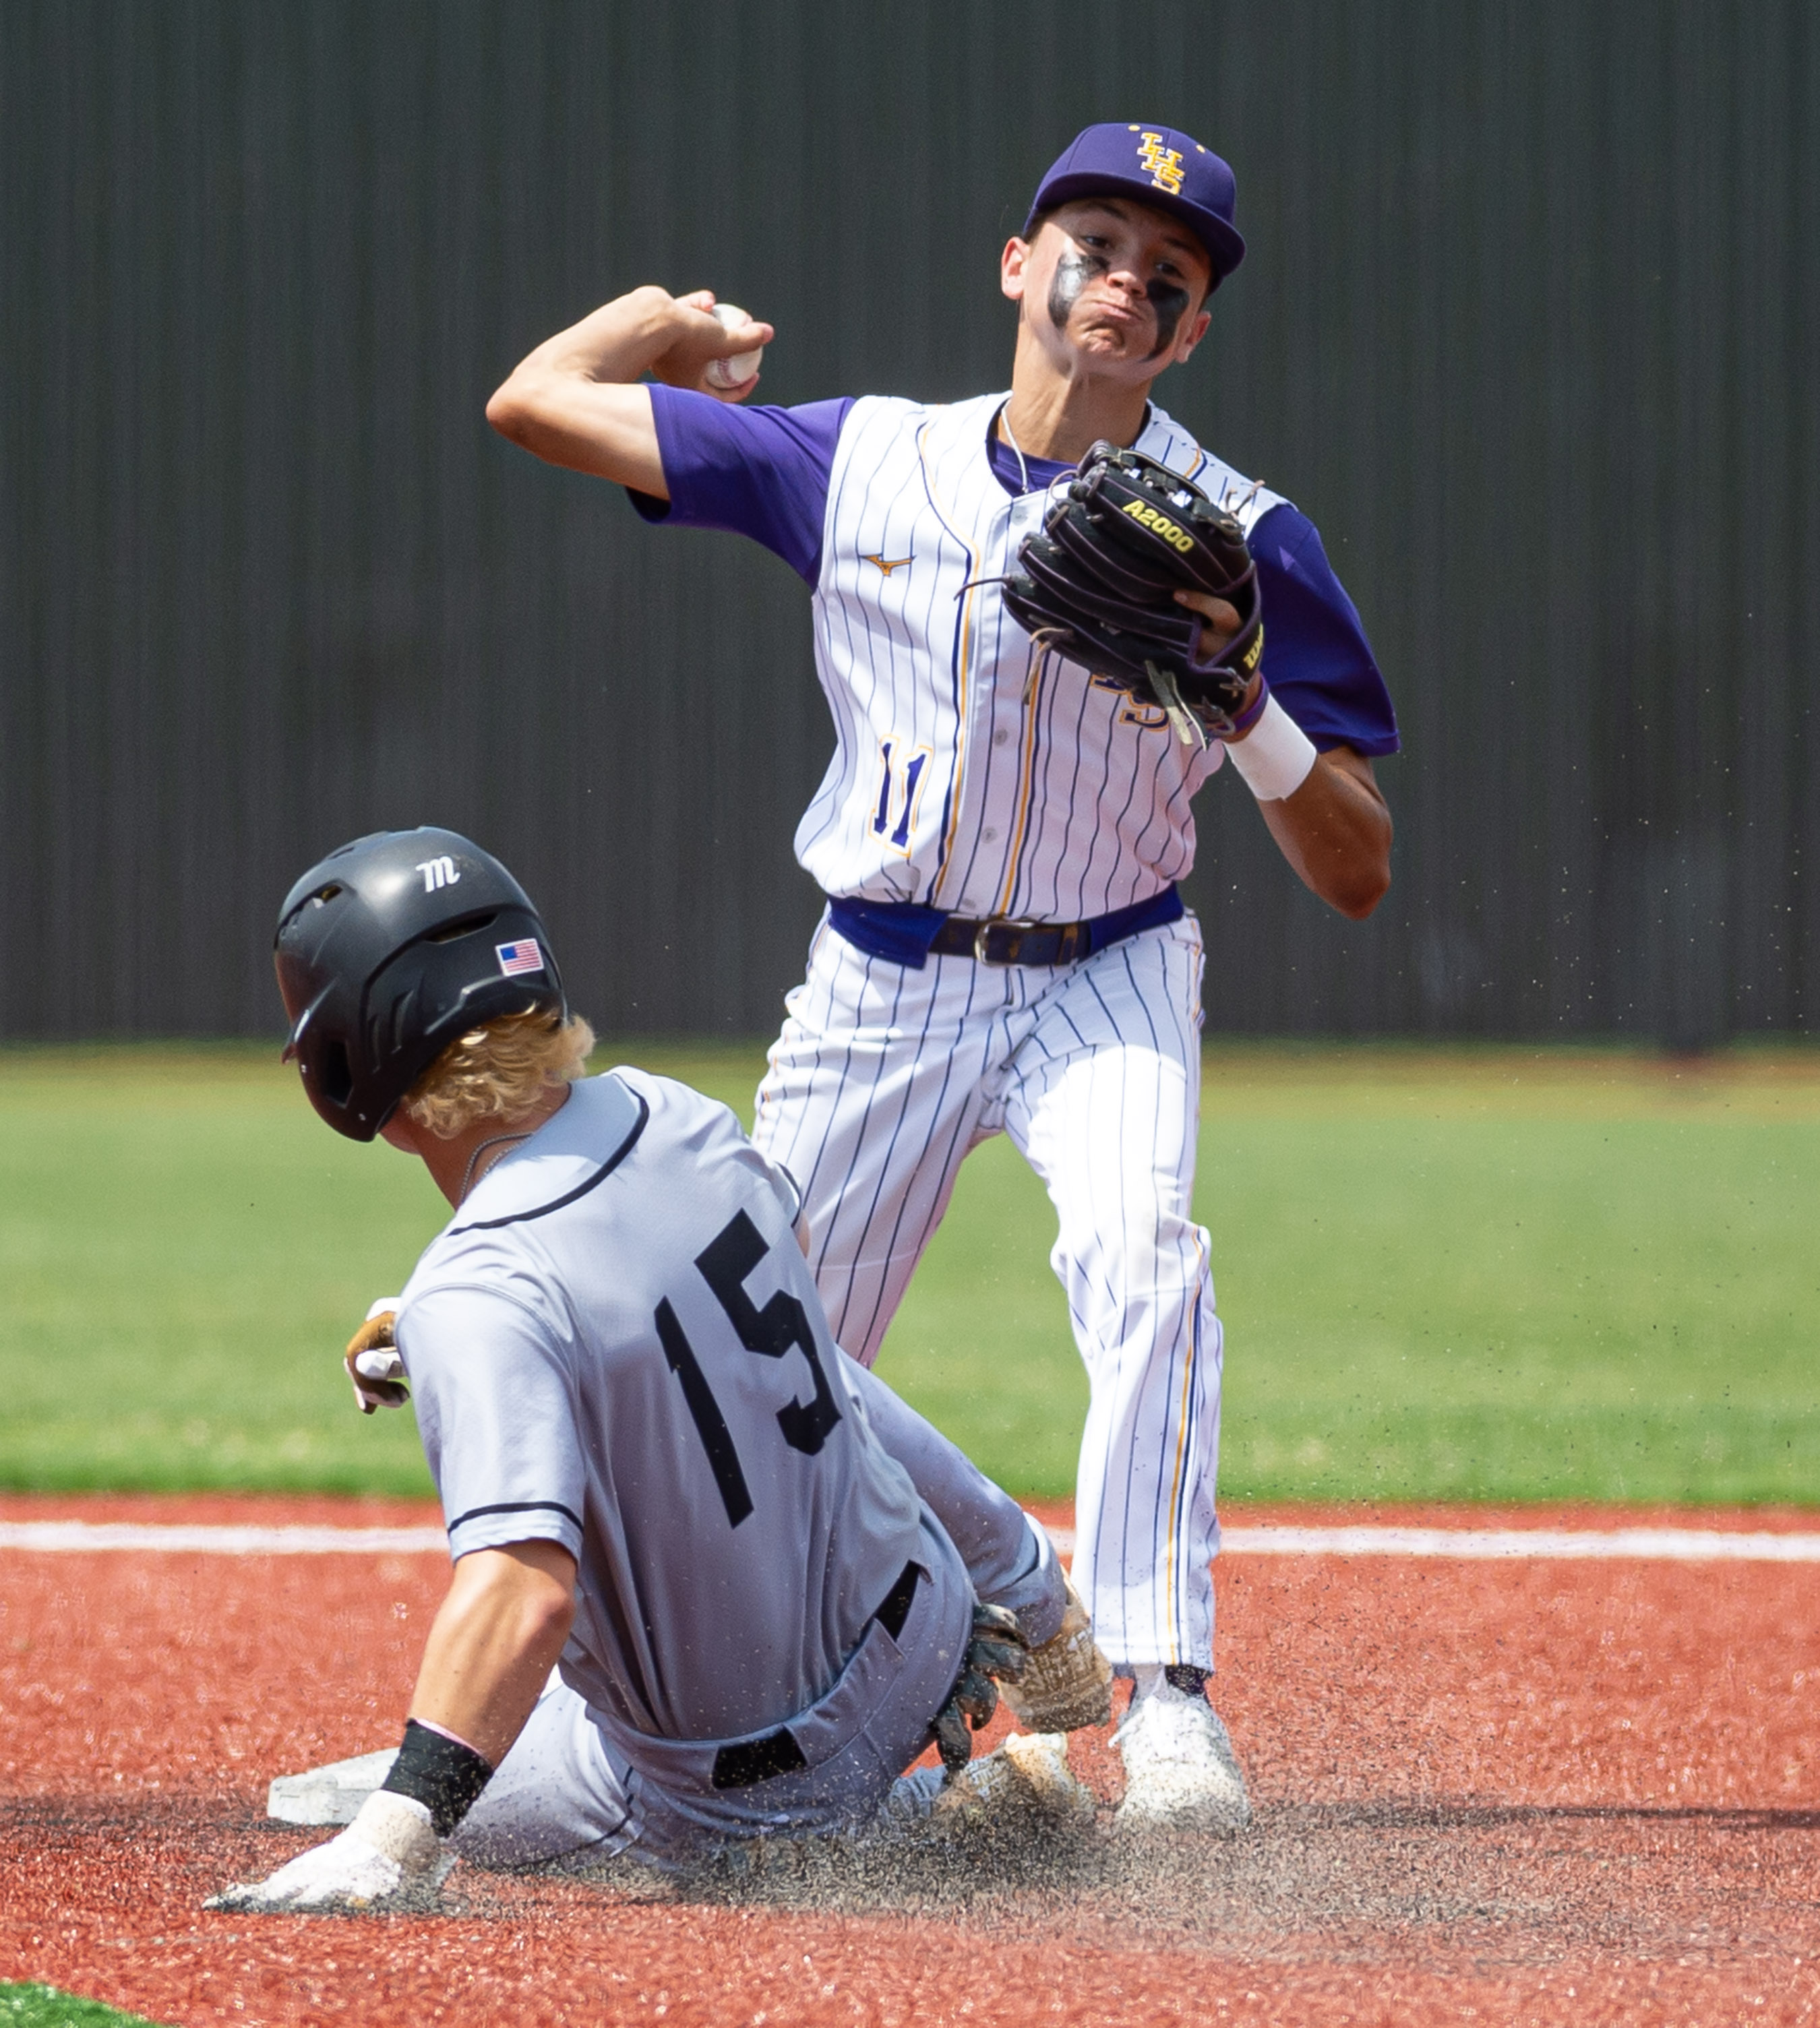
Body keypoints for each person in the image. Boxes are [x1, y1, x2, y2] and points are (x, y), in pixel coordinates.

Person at [485, 123, 1399, 1833]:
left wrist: (1241, 695)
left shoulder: (1249, 540)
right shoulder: (858, 461)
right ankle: (603, 1721)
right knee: (749, 1361)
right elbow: (532, 401)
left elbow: (1356, 865)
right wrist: (670, 329)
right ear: (1017, 264)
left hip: (1105, 970)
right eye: (1095, 241)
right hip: (879, 981)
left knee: (1145, 1251)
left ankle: (1170, 1700)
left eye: (1166, 272)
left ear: (1193, 329)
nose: (1123, 277)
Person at [214, 826, 1106, 1913]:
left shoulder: (478, 1291)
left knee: (343, 1798)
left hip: (740, 1785)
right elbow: (804, 1369)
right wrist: (1028, 1583)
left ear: (351, 1066)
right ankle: (1001, 1667)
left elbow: (523, 1591)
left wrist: (395, 1838)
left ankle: (907, 1837)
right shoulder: (677, 1115)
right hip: (927, 1642)